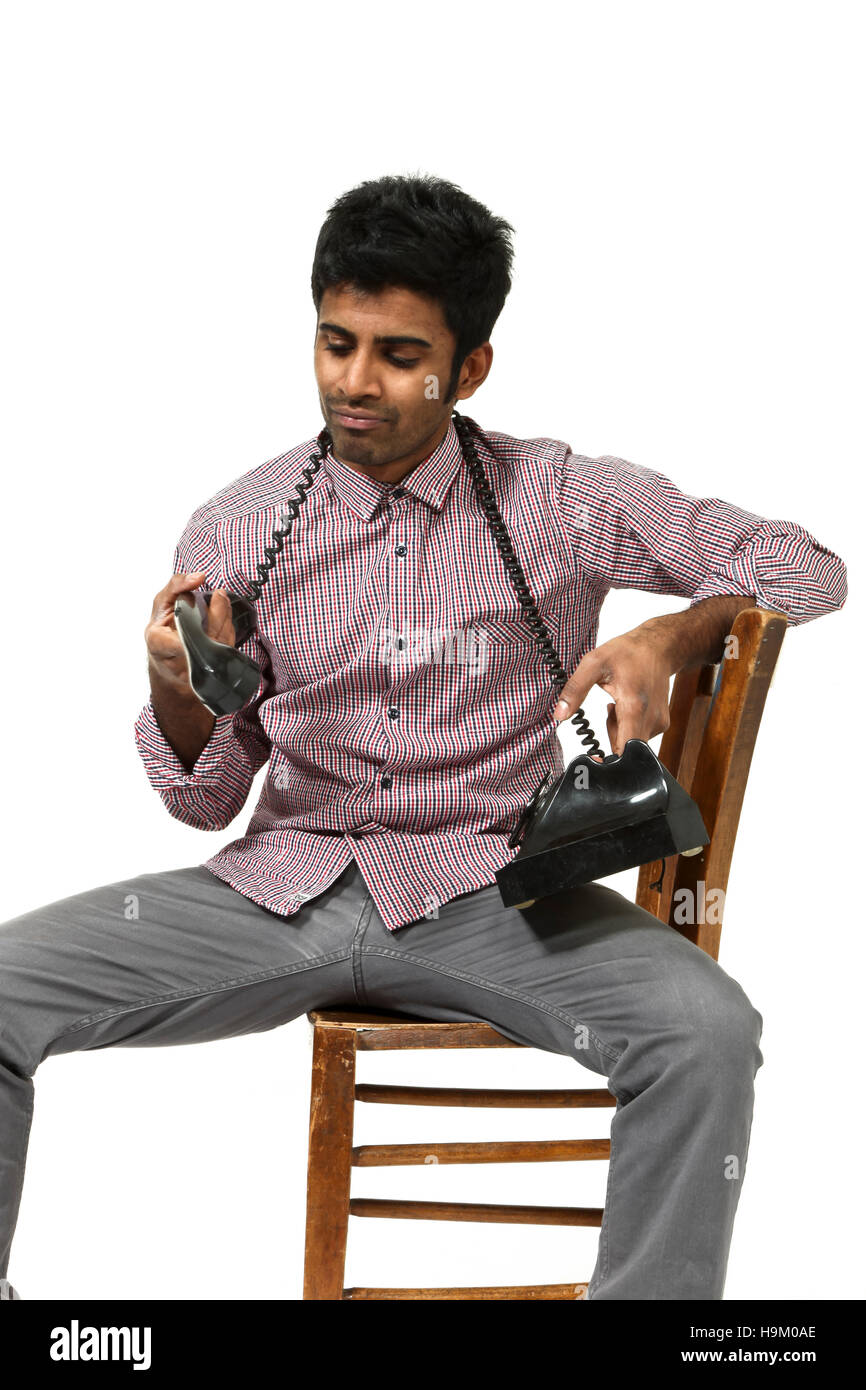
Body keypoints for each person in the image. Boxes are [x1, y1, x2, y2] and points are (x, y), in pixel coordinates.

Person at [0, 174, 847, 1303]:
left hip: (498, 901)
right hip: (282, 891)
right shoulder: (239, 526)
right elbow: (205, 798)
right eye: (334, 342)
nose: (355, 382)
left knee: (703, 1029)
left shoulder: (556, 496)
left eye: (398, 355)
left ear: (470, 366)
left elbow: (807, 567)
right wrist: (177, 692)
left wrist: (675, 635)